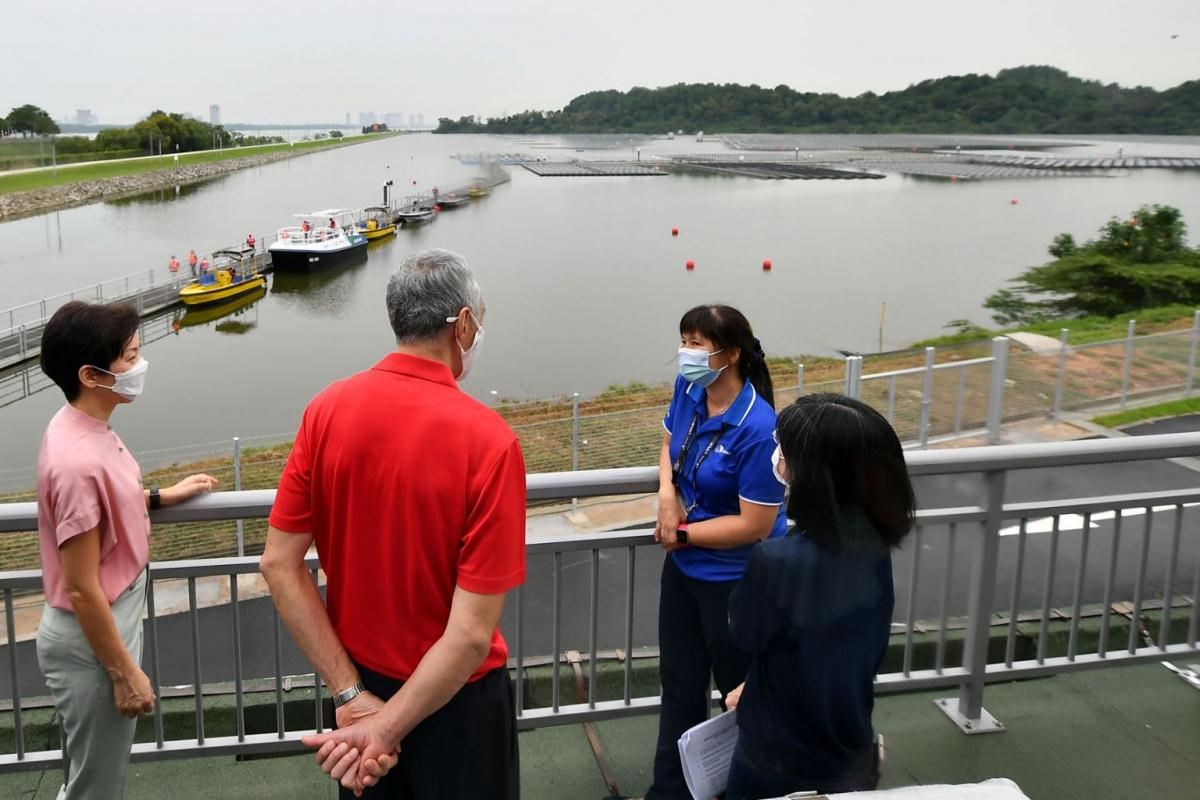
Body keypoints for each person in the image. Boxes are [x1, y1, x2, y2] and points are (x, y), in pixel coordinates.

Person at [261, 249, 526, 798]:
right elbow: (472, 635)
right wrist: (385, 728)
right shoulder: (490, 441)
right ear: (466, 324)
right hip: (458, 709)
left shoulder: (327, 410)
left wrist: (355, 701)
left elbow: (279, 564)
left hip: (360, 695)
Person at [34, 301, 218, 800]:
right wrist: (125, 674)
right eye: (130, 356)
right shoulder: (76, 462)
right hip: (93, 638)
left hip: (108, 623)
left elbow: (101, 510)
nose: (140, 367)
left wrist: (159, 497)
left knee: (96, 774)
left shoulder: (77, 424)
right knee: (97, 786)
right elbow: (80, 585)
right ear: (91, 375)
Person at [723, 394, 916, 799]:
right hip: (850, 747)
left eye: (784, 449)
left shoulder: (779, 560)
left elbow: (746, 632)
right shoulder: (875, 545)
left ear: (811, 472)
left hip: (776, 758)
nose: (777, 456)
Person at [646, 304, 787, 800]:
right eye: (683, 338)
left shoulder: (759, 426)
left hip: (735, 581)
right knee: (679, 687)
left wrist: (679, 534)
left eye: (697, 343)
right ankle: (669, 792)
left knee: (738, 697)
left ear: (729, 355)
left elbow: (755, 524)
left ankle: (746, 788)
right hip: (684, 571)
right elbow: (668, 441)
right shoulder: (690, 389)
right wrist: (667, 493)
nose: (685, 352)